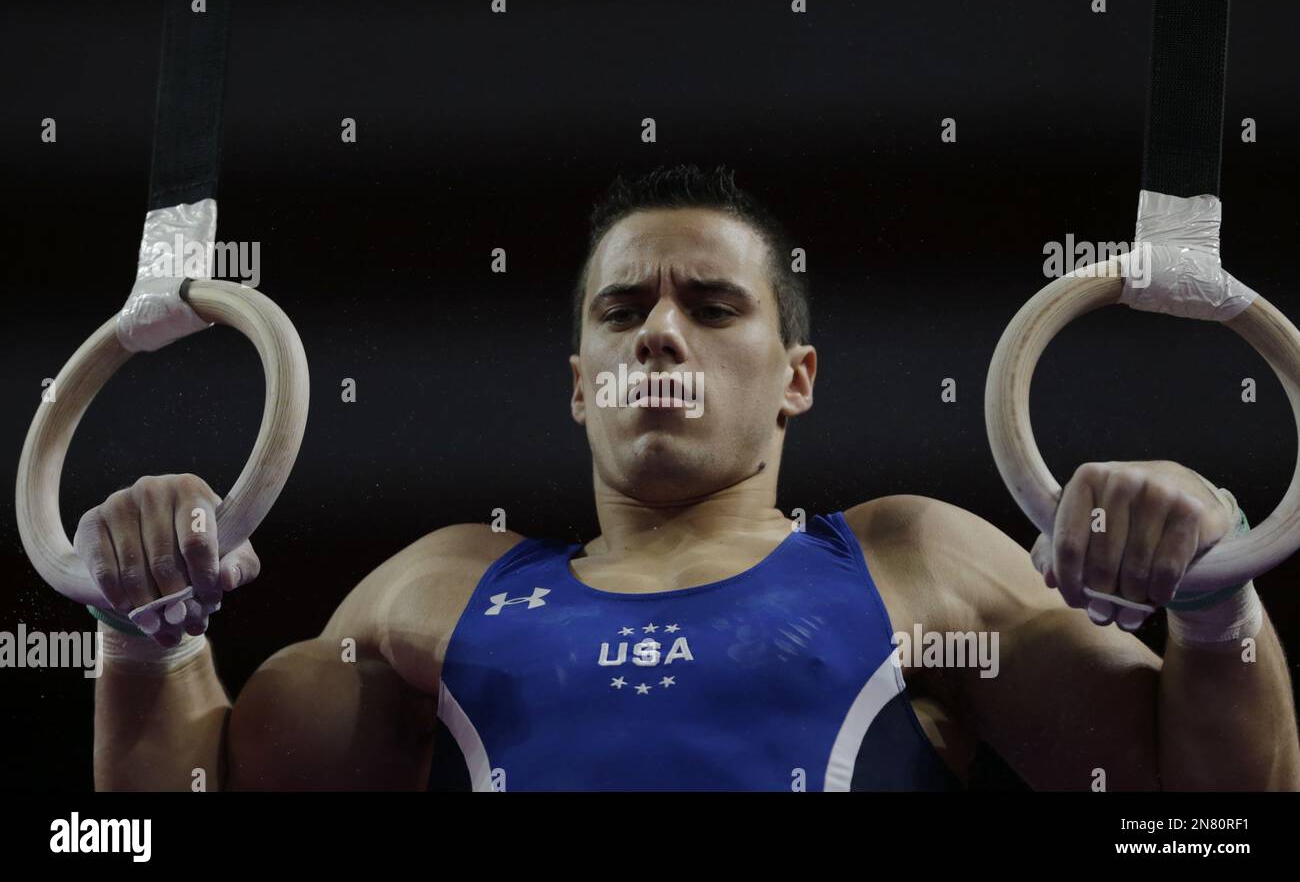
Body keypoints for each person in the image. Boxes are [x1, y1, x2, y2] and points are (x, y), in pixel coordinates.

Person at [78, 165, 1300, 791]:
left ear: (796, 376)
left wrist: (1211, 589)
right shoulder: (437, 593)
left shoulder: (912, 562)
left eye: (712, 307)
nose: (659, 334)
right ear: (579, 380)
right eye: (623, 311)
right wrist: (147, 629)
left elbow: (1207, 812)